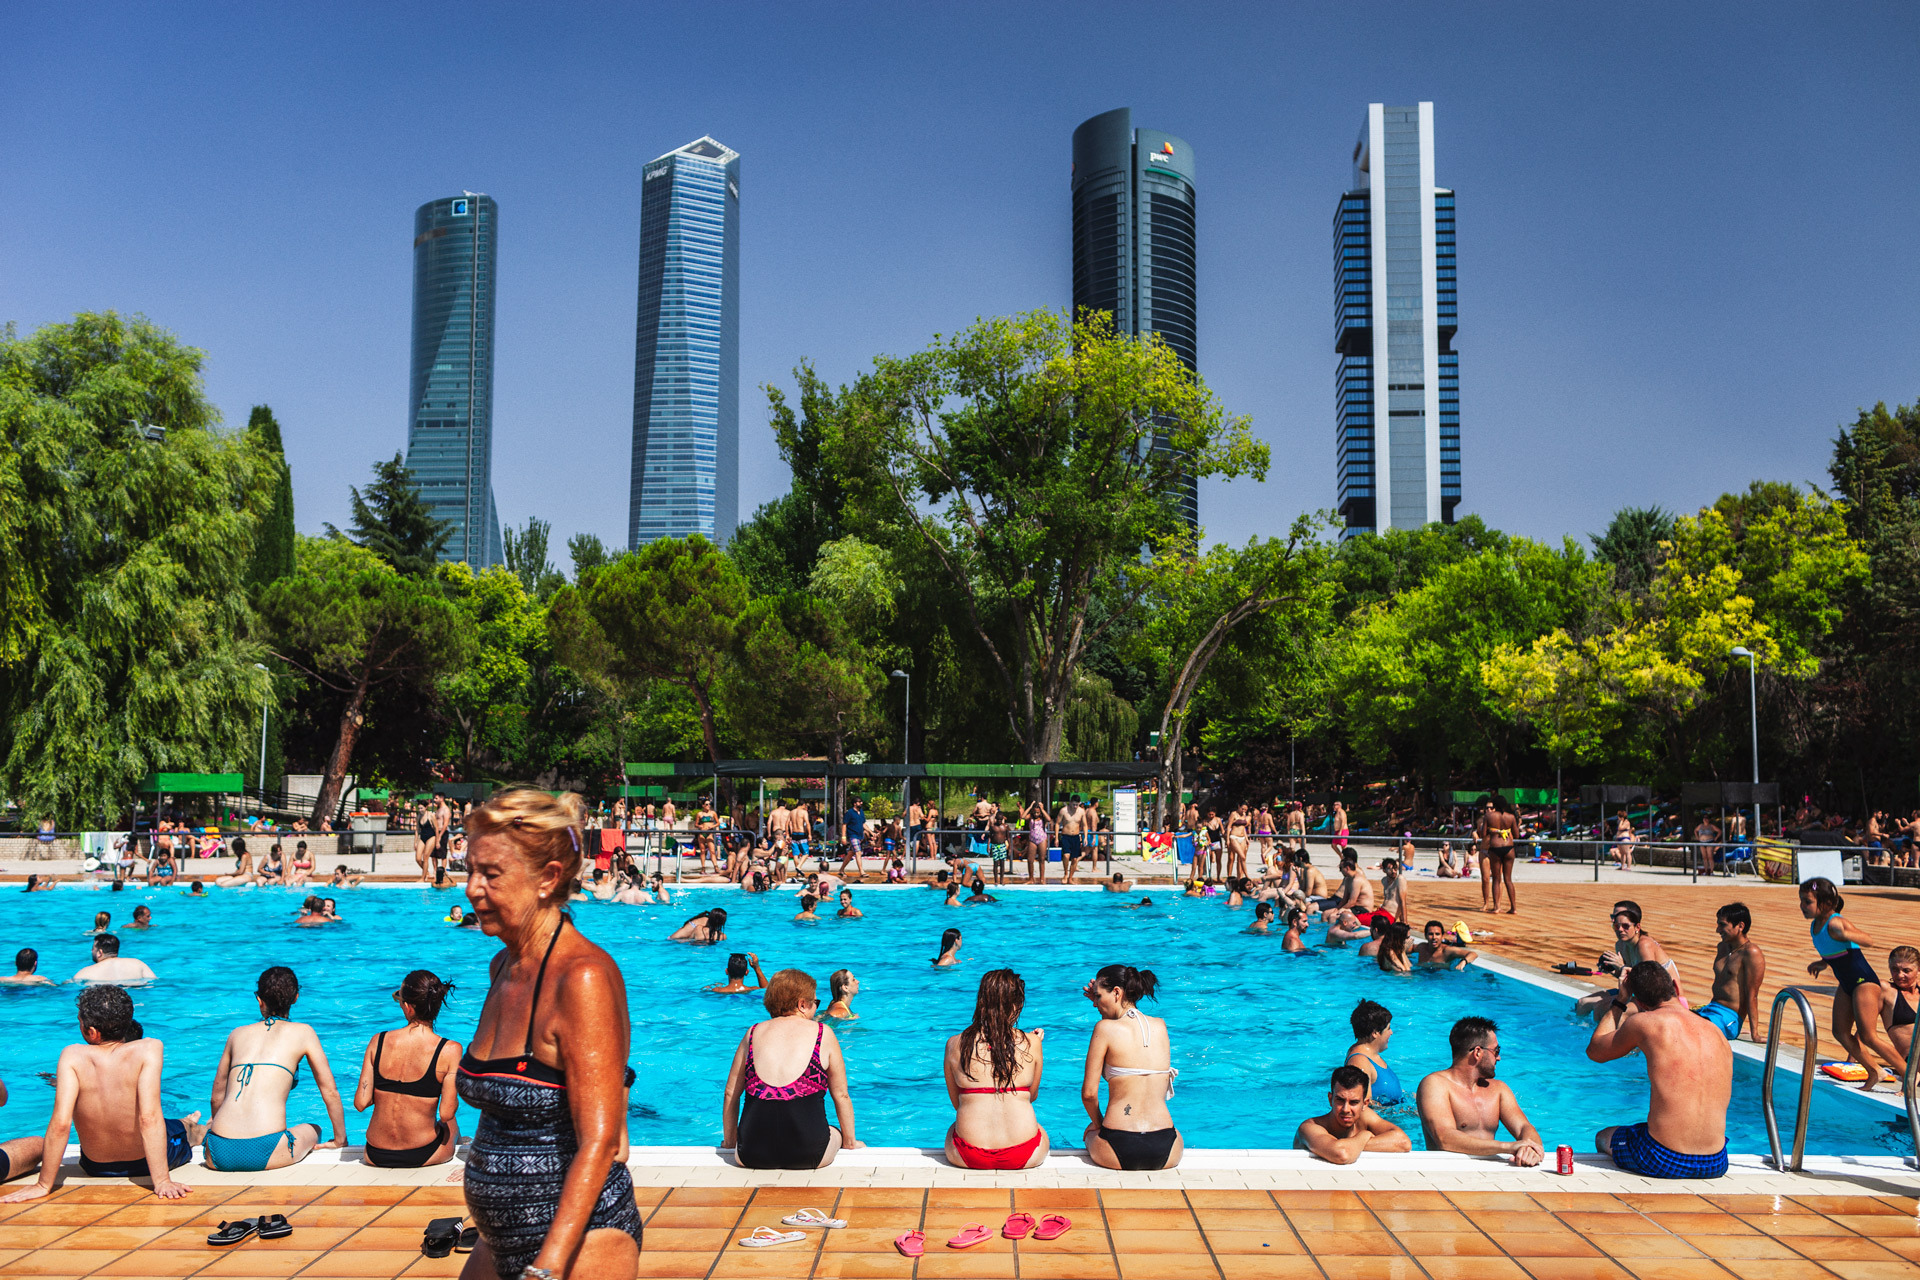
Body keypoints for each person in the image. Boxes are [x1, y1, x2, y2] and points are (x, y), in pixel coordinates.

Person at [455, 788, 643, 1280]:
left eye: (490, 874)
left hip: (580, 1244)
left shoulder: (582, 978)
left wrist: (548, 1267)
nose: (472, 889)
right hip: (499, 1244)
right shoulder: (503, 965)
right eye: (469, 870)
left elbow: (602, 1143)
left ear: (548, 877)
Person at [0, 986, 204, 1201]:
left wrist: (43, 1184)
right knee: (182, 1130)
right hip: (143, 1163)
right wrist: (162, 1180)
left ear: (92, 1032)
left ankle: (187, 1123)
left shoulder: (71, 1055)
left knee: (172, 1125)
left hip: (95, 1166)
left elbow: (61, 1124)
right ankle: (196, 1127)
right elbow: (148, 1118)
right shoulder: (149, 1048)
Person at [1589, 960, 1731, 1178]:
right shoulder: (1716, 1032)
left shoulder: (1644, 1023)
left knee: (1603, 1136)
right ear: (1674, 986)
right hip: (1716, 1161)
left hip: (1663, 1158)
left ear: (1640, 1002)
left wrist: (1620, 1000)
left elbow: (1596, 1051)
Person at [204, 965, 346, 1171]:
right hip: (266, 1149)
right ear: (296, 997)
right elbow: (330, 1092)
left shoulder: (236, 1034)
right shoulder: (304, 1032)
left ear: (259, 999)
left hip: (218, 1151)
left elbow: (216, 1097)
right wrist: (340, 1139)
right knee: (314, 1129)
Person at [720, 969, 862, 1169]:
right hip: (809, 1154)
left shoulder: (752, 1034)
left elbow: (730, 1094)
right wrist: (850, 1142)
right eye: (815, 1003)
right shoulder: (823, 1034)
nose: (815, 1009)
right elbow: (841, 1095)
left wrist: (729, 1143)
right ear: (802, 1004)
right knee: (835, 1132)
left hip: (751, 1153)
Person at [1800, 877, 1903, 1087]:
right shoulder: (1816, 925)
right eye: (1802, 901)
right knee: (1839, 1032)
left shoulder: (1836, 922)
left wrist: (1846, 933)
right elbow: (1838, 951)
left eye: (1807, 902)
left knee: (1869, 1036)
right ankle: (1875, 1071)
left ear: (1827, 903)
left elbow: (1868, 941)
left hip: (1863, 981)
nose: (1802, 906)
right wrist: (1823, 963)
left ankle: (1909, 1076)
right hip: (1847, 983)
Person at [353, 970, 462, 1168]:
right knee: (450, 1124)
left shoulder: (378, 1041)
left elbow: (361, 1103)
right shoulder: (450, 1050)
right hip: (423, 1154)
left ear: (408, 1008)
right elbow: (446, 1113)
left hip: (375, 1153)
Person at [1080, 963, 1182, 1170]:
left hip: (1118, 1144)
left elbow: (1089, 1095)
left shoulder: (1104, 1029)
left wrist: (1098, 1125)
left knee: (1090, 1132)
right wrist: (1105, 1004)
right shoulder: (1160, 1025)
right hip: (1167, 1147)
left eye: (1098, 997)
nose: (1094, 1004)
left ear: (1117, 992)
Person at [944, 969, 1049, 1169]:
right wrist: (1033, 1041)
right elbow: (1032, 1096)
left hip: (968, 1154)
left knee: (953, 1128)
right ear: (1017, 1005)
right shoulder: (1032, 1043)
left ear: (981, 1001)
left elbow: (957, 1104)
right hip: (1024, 1153)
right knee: (1040, 1129)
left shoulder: (954, 1044)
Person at [1415, 1017, 1544, 1166]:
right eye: (1496, 1051)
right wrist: (1508, 1147)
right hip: (1450, 1172)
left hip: (1490, 1174)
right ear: (1477, 1052)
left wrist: (1530, 1149)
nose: (1499, 1058)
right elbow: (1445, 1138)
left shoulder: (1499, 1089)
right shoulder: (1435, 1084)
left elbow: (1524, 1127)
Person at [1575, 902, 1685, 1018]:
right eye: (1615, 922)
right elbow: (1630, 980)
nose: (1619, 928)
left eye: (1625, 925)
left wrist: (1622, 967)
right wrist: (1613, 970)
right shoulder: (1621, 945)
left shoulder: (1645, 945)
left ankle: (1605, 1035)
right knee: (1583, 1003)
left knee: (1601, 1008)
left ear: (1637, 926)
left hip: (1662, 1000)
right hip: (1641, 995)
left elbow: (1648, 984)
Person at [1294, 1065, 1410, 1164]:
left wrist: (1354, 1146)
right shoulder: (1310, 1127)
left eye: (1354, 1102)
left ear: (1365, 1104)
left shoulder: (1366, 1117)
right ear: (1330, 1099)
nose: (1346, 1109)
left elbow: (1403, 1142)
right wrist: (1364, 1135)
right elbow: (1341, 1154)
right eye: (1340, 1100)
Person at [1700, 903, 1767, 1041]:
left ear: (1740, 926)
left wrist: (1755, 1034)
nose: (1717, 930)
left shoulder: (1751, 953)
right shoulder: (1722, 947)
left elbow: (1752, 995)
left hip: (1729, 1017)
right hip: (1711, 1010)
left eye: (1722, 925)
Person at [1344, 1000, 1405, 1107]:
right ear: (1375, 1033)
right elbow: (1363, 1106)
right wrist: (1405, 1113)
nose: (1391, 1032)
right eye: (1388, 1028)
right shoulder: (1359, 1062)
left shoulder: (1369, 1054)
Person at [1882, 945, 1919, 1065]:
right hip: (1913, 1061)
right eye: (1894, 969)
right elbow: (1865, 1028)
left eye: (1906, 971)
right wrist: (1851, 1062)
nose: (1899, 975)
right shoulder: (1887, 991)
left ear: (1918, 970)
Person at [73, 934, 155, 984]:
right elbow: (154, 982)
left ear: (99, 952)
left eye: (93, 948)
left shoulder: (86, 972)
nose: (91, 951)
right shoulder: (138, 964)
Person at [1484, 795, 1518, 913]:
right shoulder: (1511, 817)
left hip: (1495, 847)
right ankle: (1513, 907)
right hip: (1509, 848)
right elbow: (1517, 834)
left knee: (1497, 879)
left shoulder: (1489, 816)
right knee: (1508, 879)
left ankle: (1497, 907)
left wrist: (1493, 830)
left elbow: (1483, 833)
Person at [1414, 920, 1479, 969]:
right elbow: (1408, 948)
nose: (1434, 937)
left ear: (1443, 936)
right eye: (1431, 934)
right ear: (1425, 936)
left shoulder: (1448, 951)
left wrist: (1463, 962)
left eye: (1437, 934)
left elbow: (1473, 954)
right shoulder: (1422, 947)